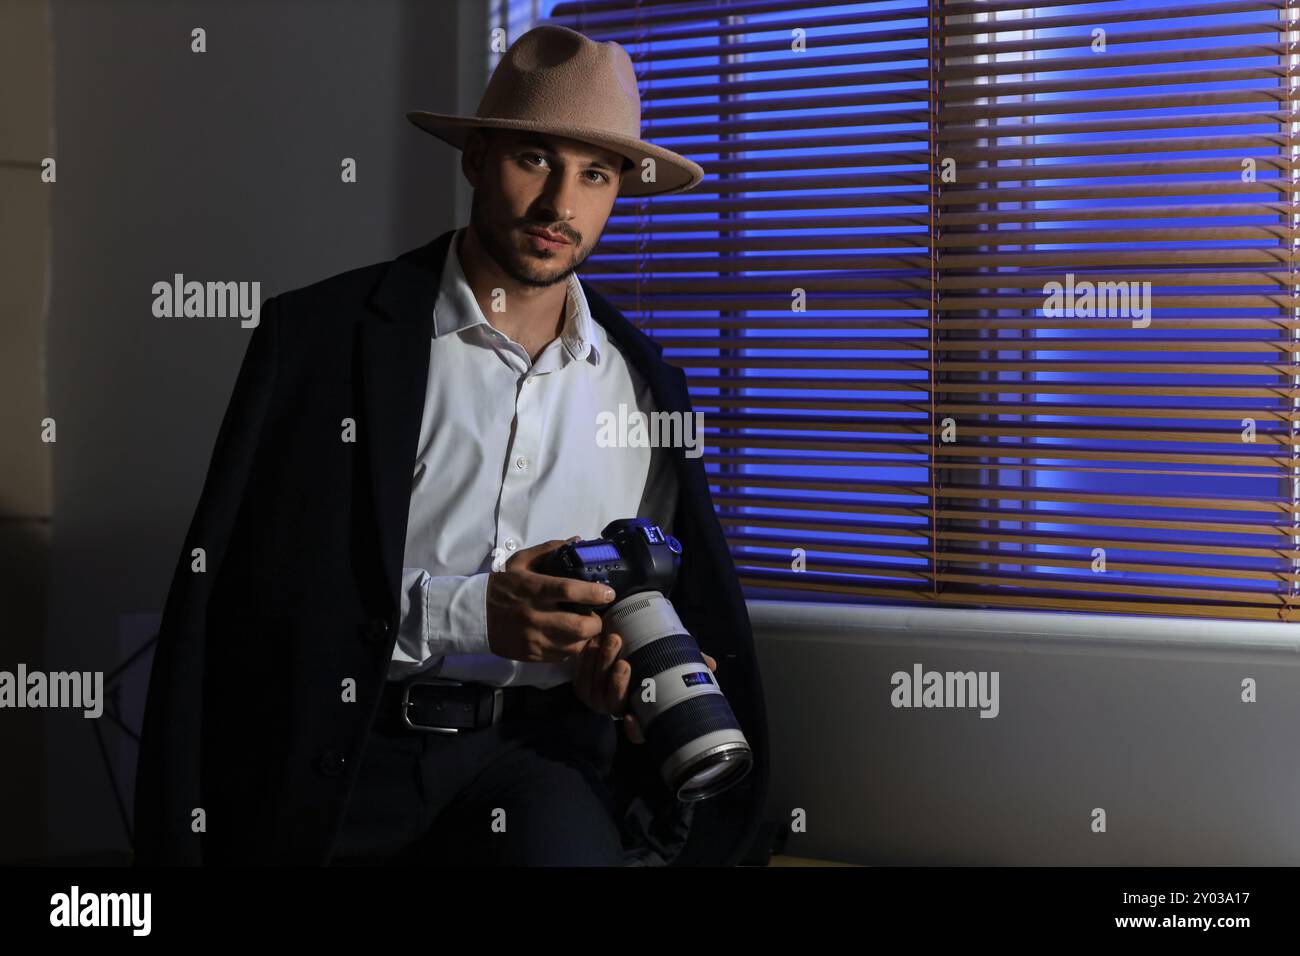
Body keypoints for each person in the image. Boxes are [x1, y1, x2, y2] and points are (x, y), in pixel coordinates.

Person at [133, 24, 768, 868]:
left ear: (620, 193)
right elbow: (248, 593)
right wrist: (473, 611)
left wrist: (607, 676)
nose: (560, 207)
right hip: (344, 750)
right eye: (534, 159)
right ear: (476, 160)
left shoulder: (647, 389)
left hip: (541, 760)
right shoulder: (317, 341)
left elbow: (647, 596)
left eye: (595, 174)